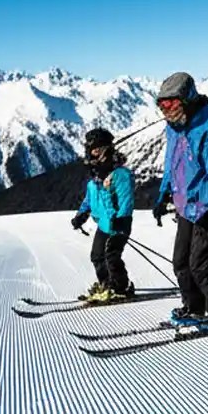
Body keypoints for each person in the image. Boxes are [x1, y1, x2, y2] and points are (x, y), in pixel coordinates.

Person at [153, 72, 208, 327]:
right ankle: (194, 308)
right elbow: (172, 164)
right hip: (186, 208)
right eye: (161, 104)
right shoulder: (175, 127)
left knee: (201, 266)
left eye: (171, 103)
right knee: (181, 263)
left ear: (187, 99)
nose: (166, 109)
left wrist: (203, 208)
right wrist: (164, 194)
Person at [71, 128, 136, 303]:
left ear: (107, 149)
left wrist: (122, 219)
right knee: (97, 256)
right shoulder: (96, 176)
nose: (93, 153)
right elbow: (89, 198)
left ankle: (120, 288)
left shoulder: (120, 174)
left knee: (111, 256)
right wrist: (82, 214)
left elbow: (126, 199)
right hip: (103, 224)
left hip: (118, 222)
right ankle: (107, 284)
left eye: (97, 149)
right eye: (91, 149)